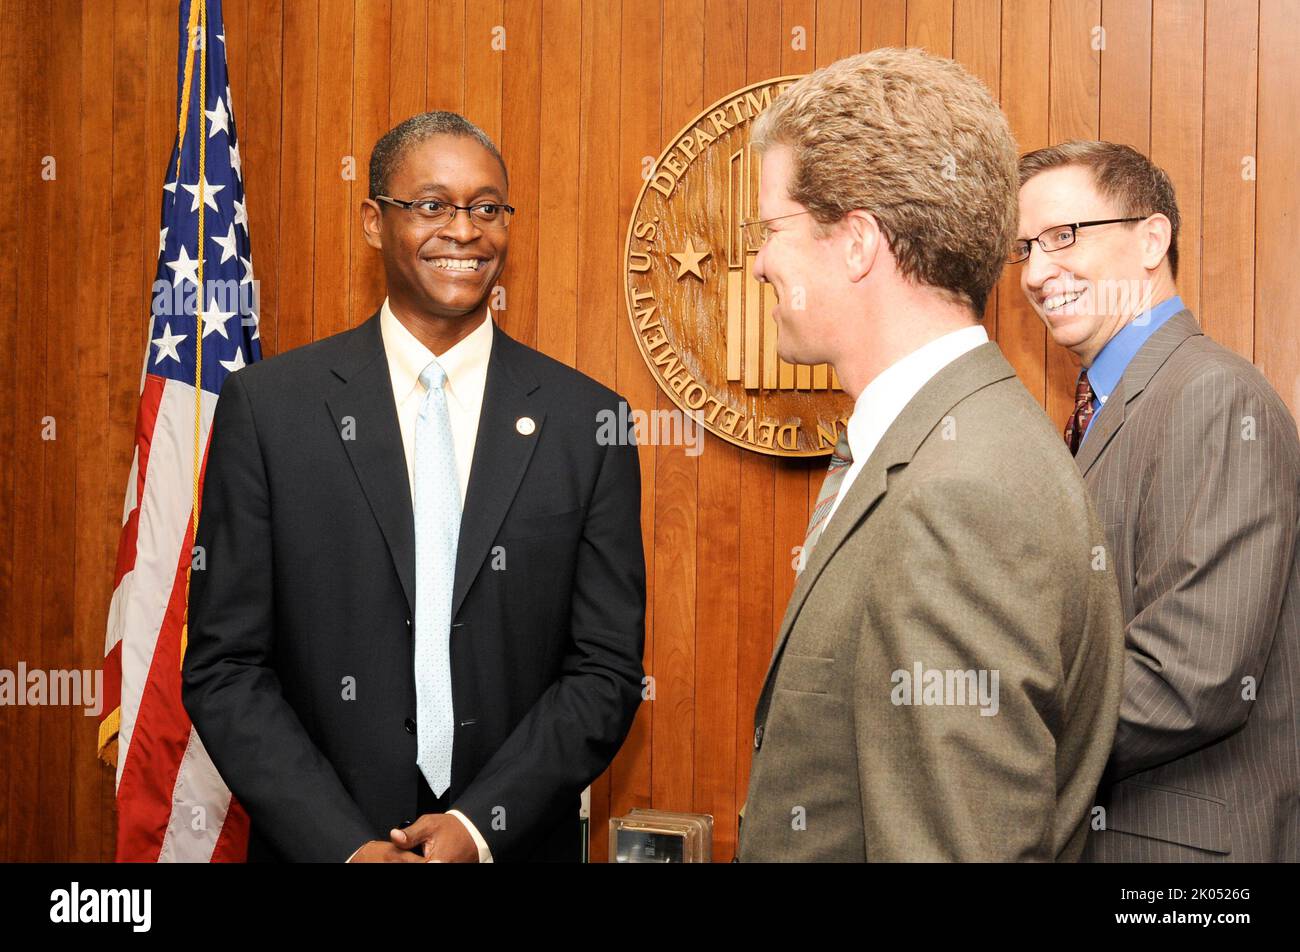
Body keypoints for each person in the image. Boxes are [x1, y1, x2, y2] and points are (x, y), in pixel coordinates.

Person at [183, 112, 646, 863]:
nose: (464, 231)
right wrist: (344, 846)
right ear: (374, 220)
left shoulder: (589, 421)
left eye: (487, 208)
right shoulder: (270, 410)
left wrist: (478, 826)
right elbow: (224, 668)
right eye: (431, 205)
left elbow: (604, 671)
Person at [734, 48, 1125, 862]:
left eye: (773, 229)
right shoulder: (943, 441)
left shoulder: (964, 490)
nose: (761, 260)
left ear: (857, 243)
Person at [1016, 140, 1300, 862]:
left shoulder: (1214, 396)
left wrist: (999, 743)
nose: (1037, 272)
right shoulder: (1105, 410)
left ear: (1152, 238)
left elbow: (1192, 678)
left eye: (1062, 237)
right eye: (1023, 248)